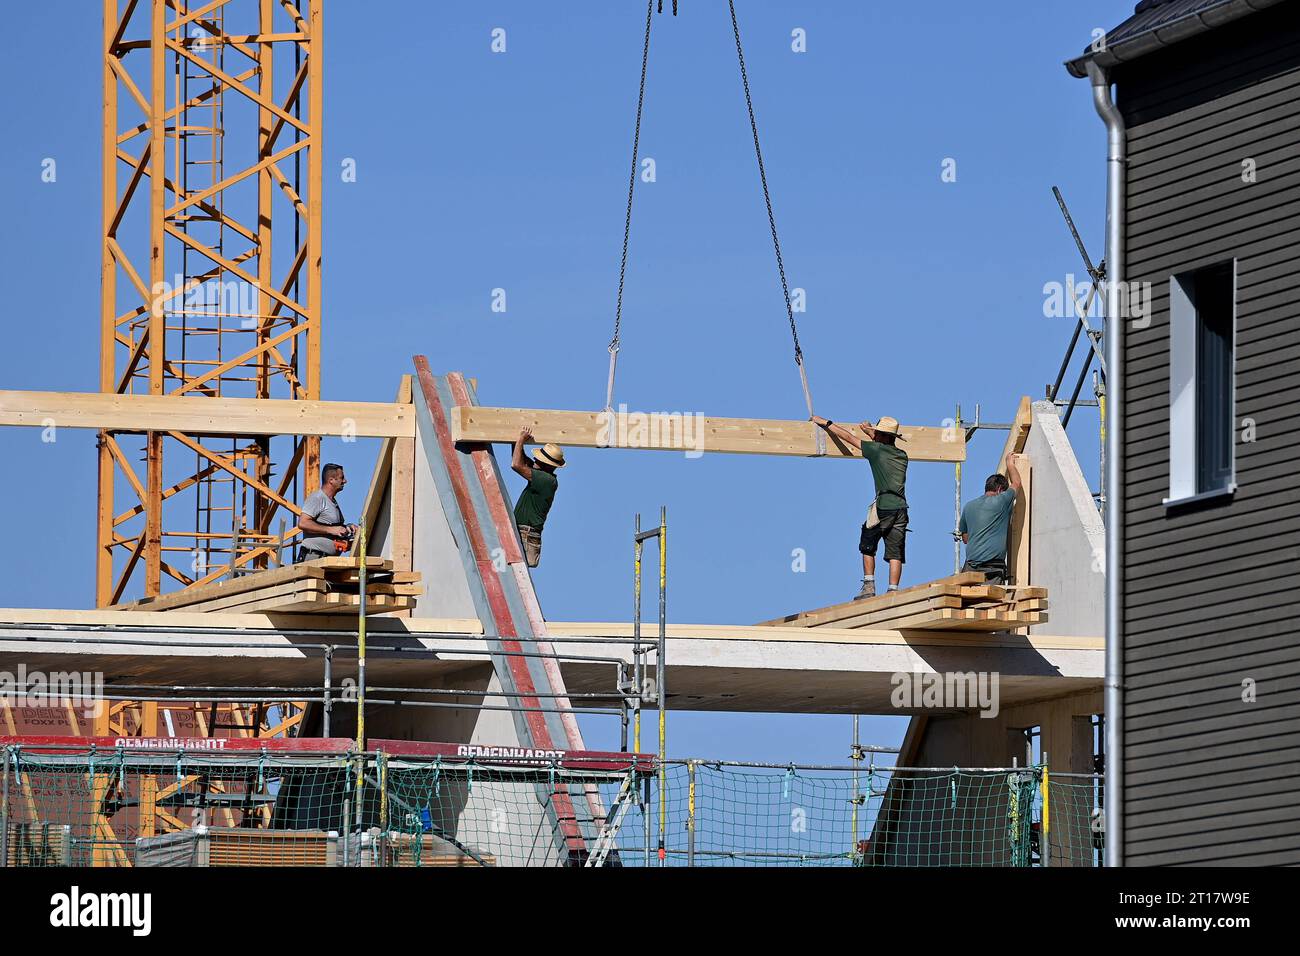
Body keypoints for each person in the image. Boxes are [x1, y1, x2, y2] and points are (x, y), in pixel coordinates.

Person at [811, 414, 909, 600]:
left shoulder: (876, 450)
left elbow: (849, 437)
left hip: (884, 506)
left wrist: (826, 423)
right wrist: (872, 432)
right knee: (895, 551)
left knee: (867, 544)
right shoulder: (902, 455)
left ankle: (869, 587)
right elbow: (882, 445)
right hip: (901, 508)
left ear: (882, 437)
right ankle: (893, 590)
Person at [959, 453, 1024, 584]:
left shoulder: (969, 506)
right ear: (1000, 489)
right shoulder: (1001, 500)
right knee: (992, 603)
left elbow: (965, 539)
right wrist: (1010, 463)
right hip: (992, 569)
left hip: (970, 568)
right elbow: (1016, 483)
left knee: (969, 603)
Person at [511, 427, 565, 568]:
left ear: (546, 465)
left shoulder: (546, 480)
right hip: (526, 533)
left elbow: (516, 465)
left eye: (538, 460)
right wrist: (516, 442)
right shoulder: (543, 475)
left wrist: (521, 440)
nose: (535, 459)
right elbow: (520, 459)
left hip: (526, 535)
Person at [296, 463, 358, 563]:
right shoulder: (317, 498)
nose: (345, 481)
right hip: (314, 559)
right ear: (331, 480)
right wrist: (331, 530)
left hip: (328, 561)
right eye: (341, 478)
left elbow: (334, 527)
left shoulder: (332, 502)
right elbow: (303, 523)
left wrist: (347, 528)